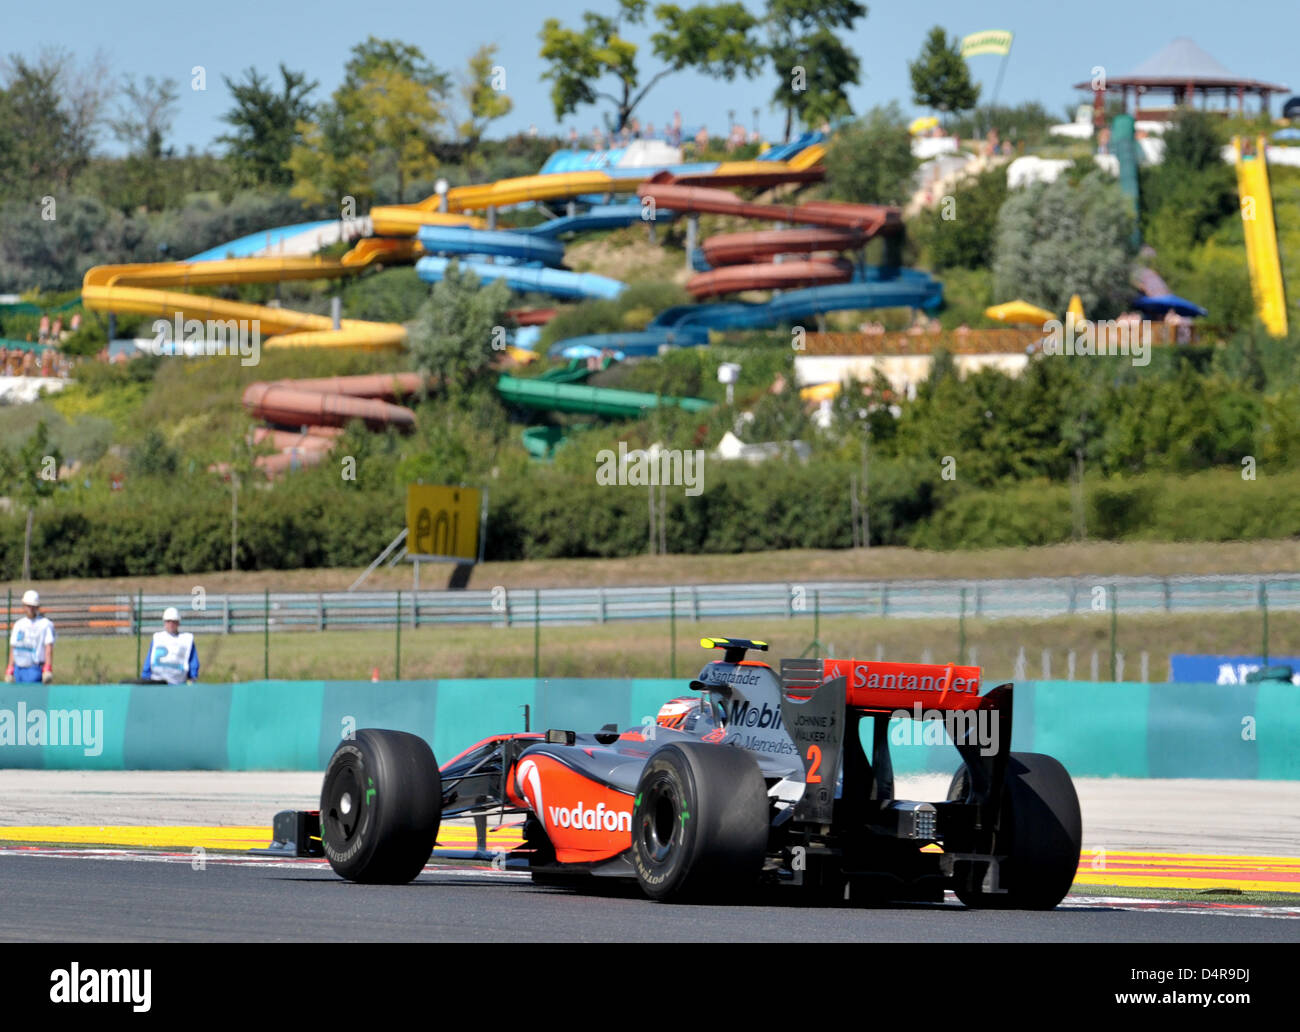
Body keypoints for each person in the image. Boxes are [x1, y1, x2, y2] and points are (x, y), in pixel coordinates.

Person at [6, 590, 55, 684]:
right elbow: (13, 647)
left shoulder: (45, 624)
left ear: (37, 607)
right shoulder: (19, 625)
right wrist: (10, 668)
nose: (30, 609)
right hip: (19, 669)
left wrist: (47, 668)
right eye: (28, 606)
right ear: (23, 606)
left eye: (33, 606)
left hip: (35, 669)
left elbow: (48, 647)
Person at [142, 607, 199, 684]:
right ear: (164, 622)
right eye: (168, 621)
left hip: (178, 683)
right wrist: (145, 677)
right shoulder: (158, 638)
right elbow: (149, 660)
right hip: (156, 682)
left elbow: (193, 662)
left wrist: (192, 678)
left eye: (174, 621)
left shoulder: (186, 640)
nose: (171, 624)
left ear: (178, 622)